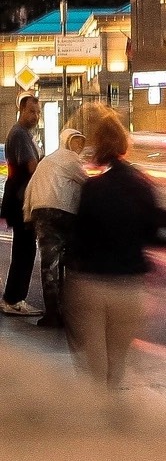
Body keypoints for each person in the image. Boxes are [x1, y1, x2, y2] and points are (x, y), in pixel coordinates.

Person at [64, 113, 161, 387]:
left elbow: (78, 237)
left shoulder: (92, 188)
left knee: (94, 368)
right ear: (123, 144)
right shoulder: (143, 186)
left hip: (92, 284)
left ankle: (96, 420)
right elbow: (152, 233)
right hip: (129, 286)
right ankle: (110, 416)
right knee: (116, 363)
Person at [26, 109, 92, 330]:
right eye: (76, 142)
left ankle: (52, 315)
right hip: (64, 213)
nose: (78, 147)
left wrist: (28, 215)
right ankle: (71, 312)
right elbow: (87, 184)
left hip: (41, 214)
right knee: (71, 262)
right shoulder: (70, 160)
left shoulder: (47, 160)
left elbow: (30, 188)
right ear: (67, 143)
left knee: (49, 265)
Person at [2, 94, 41, 317]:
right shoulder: (19, 134)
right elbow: (32, 168)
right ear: (21, 110)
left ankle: (12, 297)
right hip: (21, 201)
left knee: (23, 249)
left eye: (38, 113)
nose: (35, 116)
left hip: (18, 199)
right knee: (25, 250)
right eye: (31, 112)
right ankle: (14, 299)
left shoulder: (23, 133)